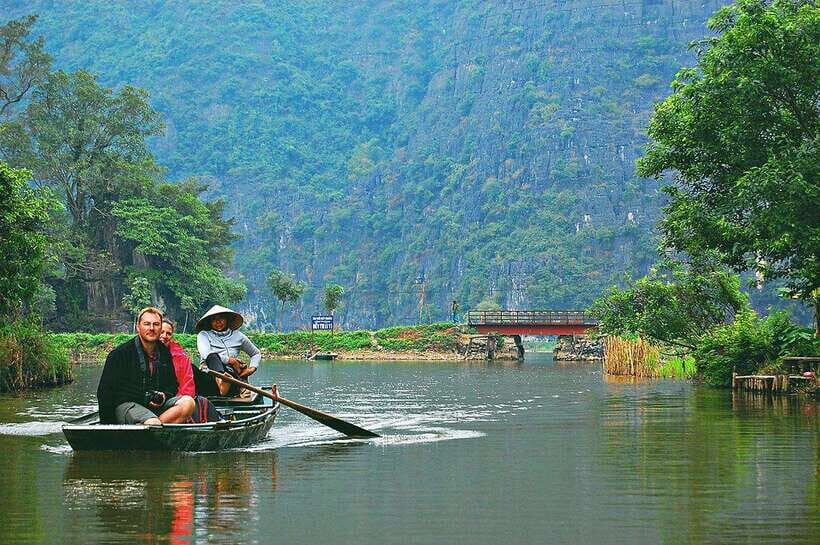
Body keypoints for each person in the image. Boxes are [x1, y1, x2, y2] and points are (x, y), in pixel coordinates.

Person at [97, 307, 196, 425]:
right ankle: (151, 426)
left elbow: (172, 385)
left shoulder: (164, 352)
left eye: (156, 324)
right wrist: (107, 425)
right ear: (138, 327)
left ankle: (145, 429)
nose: (152, 328)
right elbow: (105, 392)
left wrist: (164, 395)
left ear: (160, 327)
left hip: (155, 407)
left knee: (188, 403)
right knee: (153, 423)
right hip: (128, 404)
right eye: (146, 324)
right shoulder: (120, 354)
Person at [160, 318, 222, 422]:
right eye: (161, 332)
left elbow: (187, 386)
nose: (164, 336)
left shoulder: (181, 357)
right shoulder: (144, 353)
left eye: (168, 334)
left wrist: (179, 402)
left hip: (178, 400)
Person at [195, 305, 261, 396]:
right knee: (212, 356)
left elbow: (256, 353)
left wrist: (252, 368)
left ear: (227, 319)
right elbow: (205, 354)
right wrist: (230, 360)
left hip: (232, 376)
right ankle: (222, 381)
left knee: (231, 369)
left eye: (221, 318)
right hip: (210, 375)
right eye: (214, 319)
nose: (218, 322)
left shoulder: (238, 336)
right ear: (210, 322)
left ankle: (230, 384)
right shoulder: (203, 335)